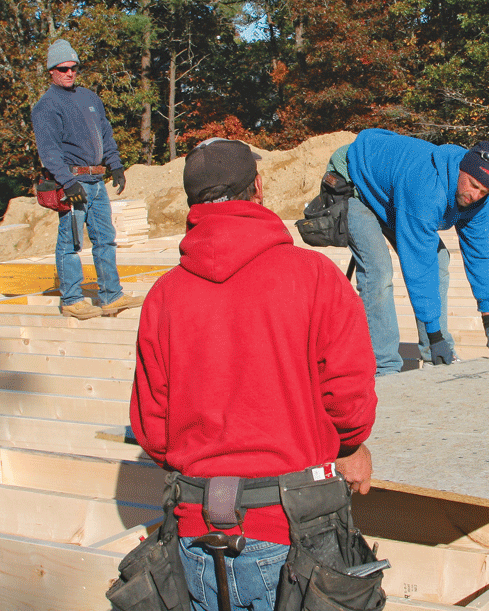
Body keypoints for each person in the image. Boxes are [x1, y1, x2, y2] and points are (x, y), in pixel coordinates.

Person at [129, 138, 378, 611]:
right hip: (294, 537)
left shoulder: (163, 296)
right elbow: (349, 404)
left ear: (192, 202)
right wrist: (348, 445)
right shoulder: (316, 277)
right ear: (258, 188)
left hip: (195, 537)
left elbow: (153, 431)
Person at [340, 128, 489, 374]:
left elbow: (479, 253)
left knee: (440, 259)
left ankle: (439, 357)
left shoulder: (479, 201)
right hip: (355, 179)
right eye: (472, 185)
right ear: (461, 170)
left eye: (483, 192)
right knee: (378, 271)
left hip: (392, 193)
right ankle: (385, 367)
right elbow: (420, 266)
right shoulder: (425, 189)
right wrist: (434, 336)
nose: (474, 195)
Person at [31, 39, 142, 320]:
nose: (69, 73)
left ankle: (111, 296)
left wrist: (115, 165)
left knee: (105, 239)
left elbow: (105, 133)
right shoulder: (46, 106)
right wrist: (68, 183)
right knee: (71, 243)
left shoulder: (89, 98)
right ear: (51, 71)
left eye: (73, 68)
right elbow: (49, 151)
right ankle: (71, 299)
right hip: (74, 183)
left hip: (97, 180)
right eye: (63, 68)